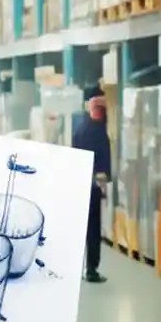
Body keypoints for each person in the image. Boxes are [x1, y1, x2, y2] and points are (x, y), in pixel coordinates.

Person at [72, 95, 111, 284]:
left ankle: (74, 268)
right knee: (93, 230)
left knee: (81, 228)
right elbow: (104, 163)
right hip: (93, 187)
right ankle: (91, 269)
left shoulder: (80, 130)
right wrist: (104, 183)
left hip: (79, 185)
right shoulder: (99, 132)